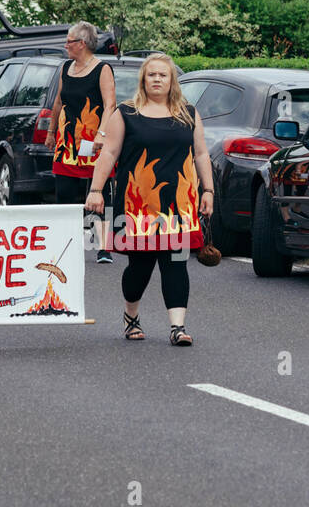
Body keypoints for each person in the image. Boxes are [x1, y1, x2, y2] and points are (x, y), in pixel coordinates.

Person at [86, 53, 214, 346]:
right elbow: (109, 153)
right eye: (152, 74)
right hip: (136, 207)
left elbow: (202, 153)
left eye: (163, 75)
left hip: (179, 207)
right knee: (139, 268)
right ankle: (131, 316)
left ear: (172, 81)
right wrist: (96, 190)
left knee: (176, 264)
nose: (157, 79)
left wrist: (208, 191)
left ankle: (177, 327)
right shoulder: (126, 112)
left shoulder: (188, 113)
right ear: (144, 79)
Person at [47, 21, 117, 264]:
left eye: (69, 41)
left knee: (98, 191)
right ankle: (66, 243)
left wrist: (102, 134)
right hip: (67, 142)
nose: (66, 45)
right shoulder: (66, 68)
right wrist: (51, 131)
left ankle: (103, 247)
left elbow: (110, 104)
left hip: (93, 140)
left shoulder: (102, 69)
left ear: (83, 43)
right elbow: (58, 102)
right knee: (65, 191)